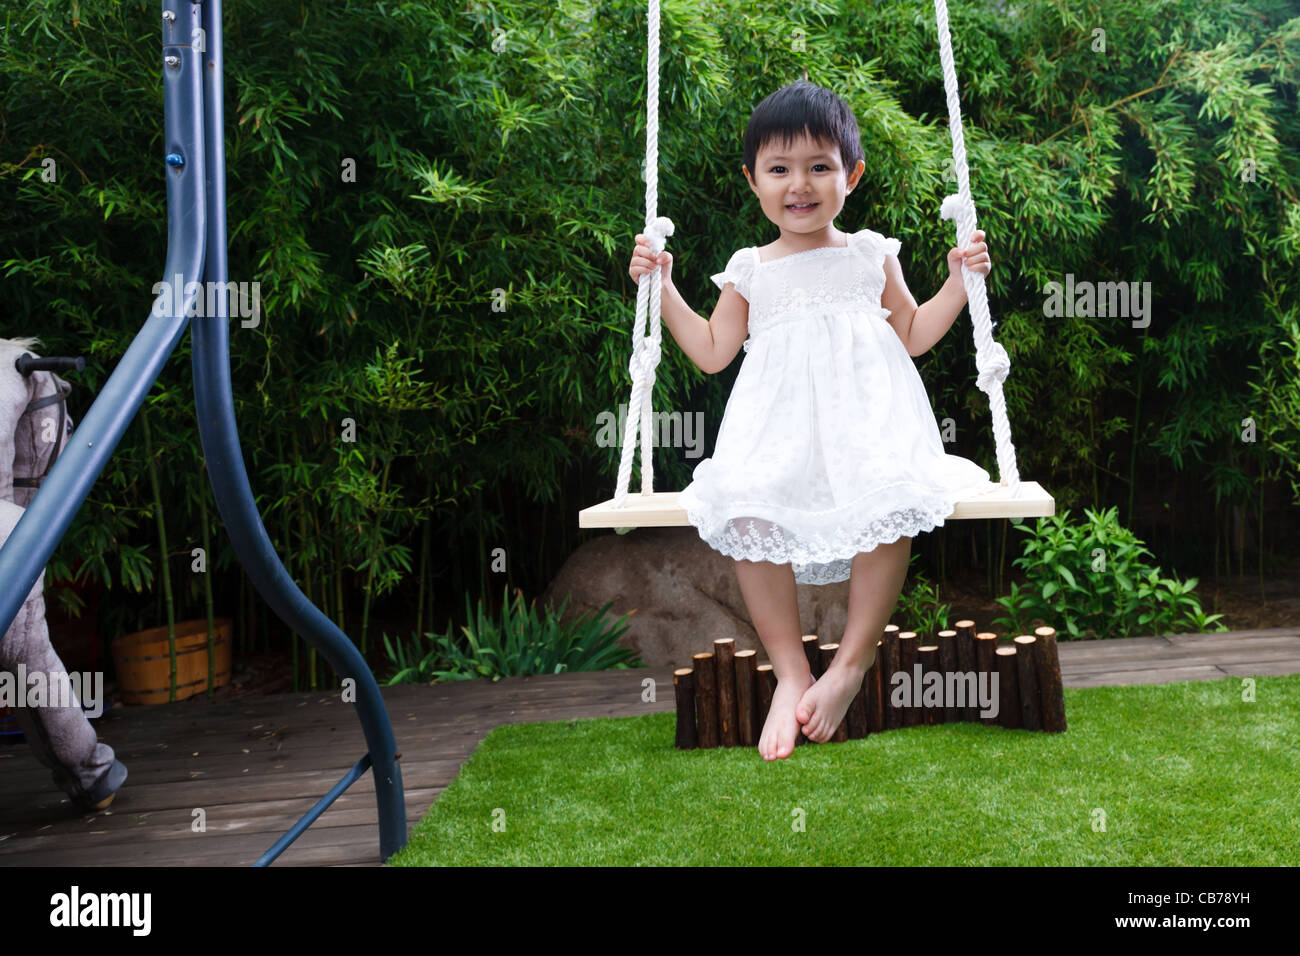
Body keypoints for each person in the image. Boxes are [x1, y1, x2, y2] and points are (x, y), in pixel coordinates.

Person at [627, 80, 994, 760]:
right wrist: (663, 289)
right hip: (781, 433)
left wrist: (955, 282)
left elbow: (912, 333)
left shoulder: (868, 254)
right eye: (780, 169)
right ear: (753, 181)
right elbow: (712, 352)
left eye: (820, 166)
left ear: (850, 176)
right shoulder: (751, 269)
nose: (801, 184)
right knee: (749, 513)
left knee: (891, 499)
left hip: (871, 430)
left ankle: (850, 665)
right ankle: (790, 668)